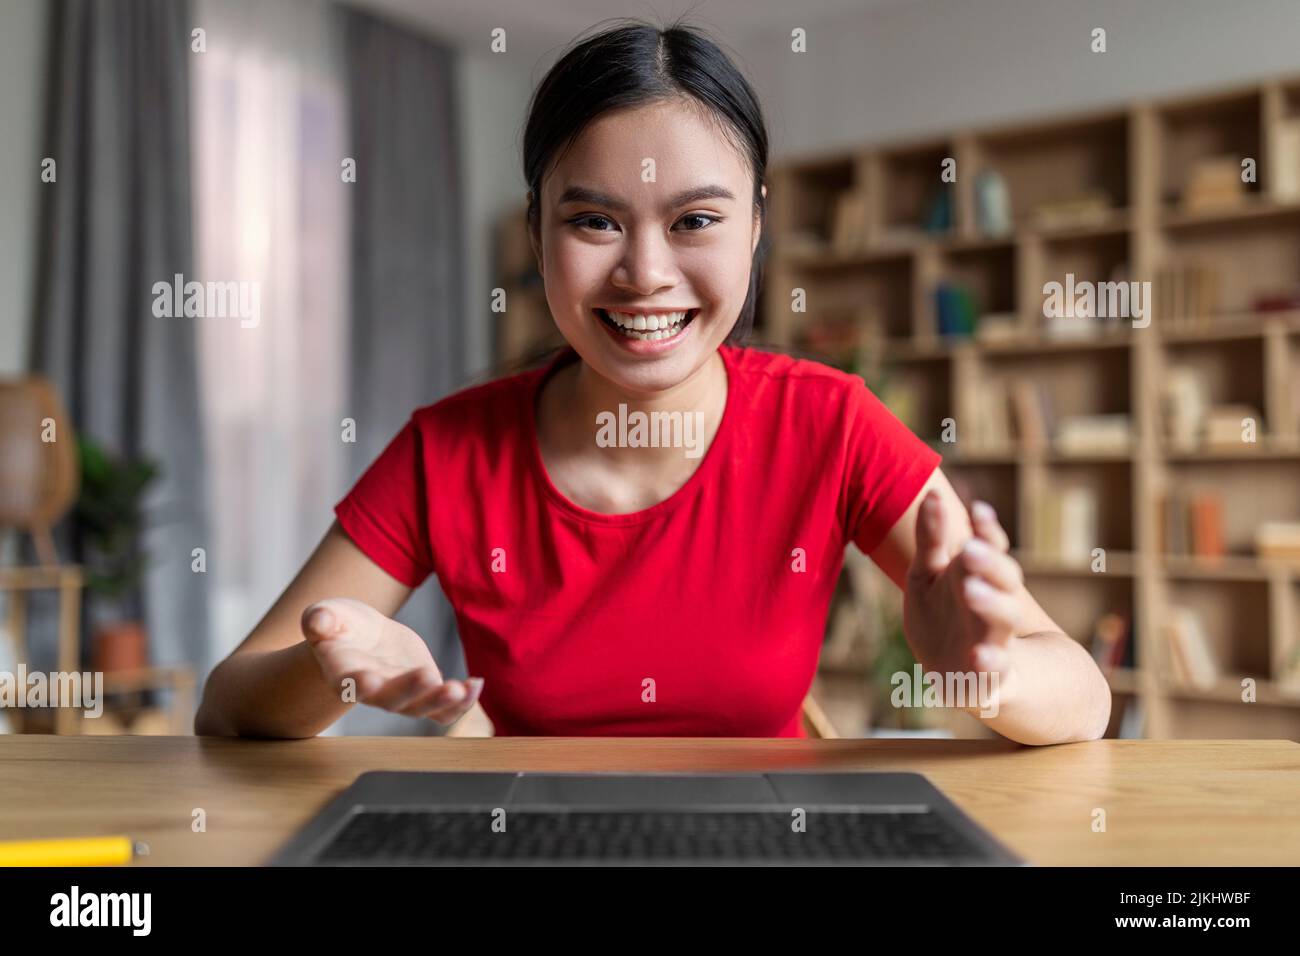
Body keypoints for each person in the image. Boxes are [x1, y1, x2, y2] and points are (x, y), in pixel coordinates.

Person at [195, 18, 1111, 744]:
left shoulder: (829, 423)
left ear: (755, 228)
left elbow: (1085, 698)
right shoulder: (449, 448)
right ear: (535, 232)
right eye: (594, 220)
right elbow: (229, 704)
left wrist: (987, 676)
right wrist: (330, 671)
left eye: (694, 220)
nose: (644, 274)